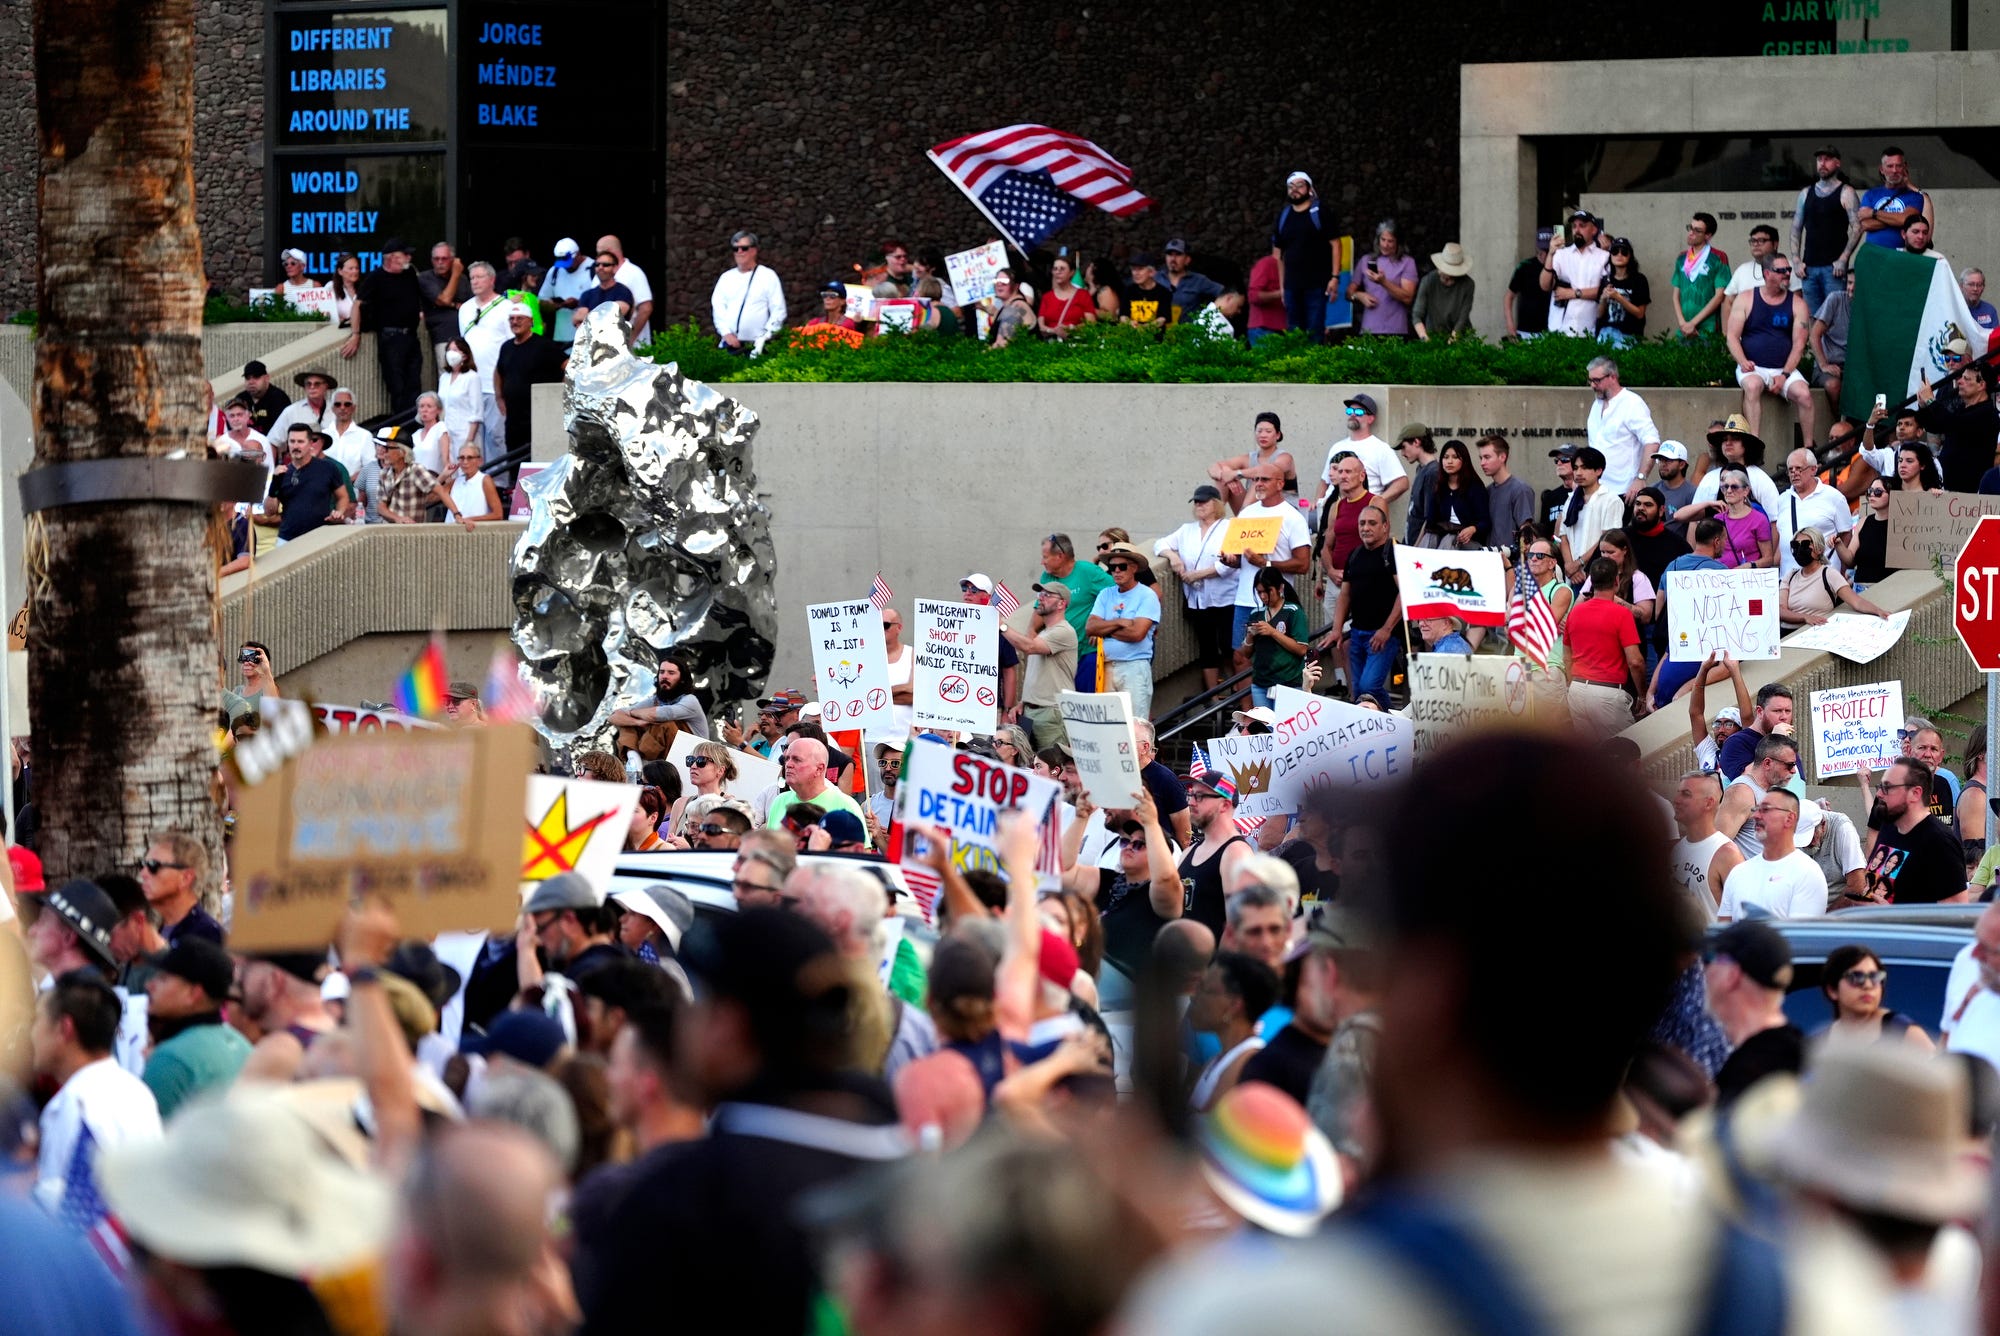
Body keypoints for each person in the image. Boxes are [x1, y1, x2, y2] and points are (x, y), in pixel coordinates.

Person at [577, 910, 904, 1334]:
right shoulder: (915, 1168)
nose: (685, 1023)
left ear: (727, 1026)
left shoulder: (683, 1199)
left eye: (700, 1002)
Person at [31, 971, 161, 1214]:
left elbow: (63, 1211)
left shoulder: (76, 1104)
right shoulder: (136, 1091)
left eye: (38, 1020)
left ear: (64, 1029)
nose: (32, 1033)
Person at [140, 938, 251, 1119]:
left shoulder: (171, 1059)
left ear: (193, 994)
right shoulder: (243, 1046)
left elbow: (148, 1133)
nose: (149, 985)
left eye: (163, 979)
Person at [1217, 464, 1311, 669]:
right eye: (1255, 479)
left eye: (1264, 479)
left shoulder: (1293, 517)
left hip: (1277, 601)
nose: (1258, 484)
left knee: (1275, 657)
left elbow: (1303, 564)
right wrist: (1230, 560)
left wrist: (1266, 564)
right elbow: (1240, 558)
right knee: (1240, 657)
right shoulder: (1246, 514)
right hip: (1245, 598)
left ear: (1280, 484)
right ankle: (1251, 694)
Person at [1704, 918, 1806, 1106]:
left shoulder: (1749, 1075)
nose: (1705, 971)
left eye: (1710, 958)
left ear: (1732, 976)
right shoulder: (1801, 1052)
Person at [1725, 250, 1815, 450]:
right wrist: (1742, 361)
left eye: (1789, 270)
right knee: (1753, 386)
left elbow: (1799, 344)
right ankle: (1754, 446)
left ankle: (1809, 449)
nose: (1787, 274)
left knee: (1805, 395)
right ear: (1767, 274)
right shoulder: (1746, 298)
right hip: (1753, 366)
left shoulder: (1797, 304)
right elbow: (1731, 336)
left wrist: (1784, 375)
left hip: (1784, 368)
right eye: (1781, 270)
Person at [1155, 486, 1238, 693]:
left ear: (1216, 504)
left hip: (1225, 598)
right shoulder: (1186, 530)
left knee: (1229, 646)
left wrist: (1197, 575)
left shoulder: (1229, 528)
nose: (1199, 505)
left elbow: (1230, 564)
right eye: (1197, 502)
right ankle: (1213, 697)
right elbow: (1160, 544)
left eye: (1204, 501)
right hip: (1197, 600)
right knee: (1207, 648)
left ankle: (1238, 690)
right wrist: (1173, 557)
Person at [1856, 757, 1968, 904]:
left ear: (1915, 793)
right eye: (1880, 786)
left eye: (1888, 788)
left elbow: (1955, 912)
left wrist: (1891, 914)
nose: (1879, 794)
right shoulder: (1889, 827)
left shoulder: (1941, 843)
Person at [1563, 557, 1648, 742]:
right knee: (1626, 752)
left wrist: (1571, 684)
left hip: (1577, 689)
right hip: (1607, 693)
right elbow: (1635, 661)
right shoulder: (1622, 613)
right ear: (1616, 581)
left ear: (1591, 582)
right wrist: (1642, 695)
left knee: (1589, 754)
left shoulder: (1575, 612)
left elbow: (1567, 655)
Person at [1187, 951, 1279, 1111]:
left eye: (1204, 989)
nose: (1194, 997)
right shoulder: (1217, 1060)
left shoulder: (1245, 1064)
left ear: (1234, 1006)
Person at [1718, 788, 1824, 920]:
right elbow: (1724, 925)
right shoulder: (1738, 873)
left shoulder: (1808, 873)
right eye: (1756, 809)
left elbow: (1801, 931)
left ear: (1789, 818)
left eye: (1766, 810)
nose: (1755, 815)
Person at [1331, 505, 1401, 704]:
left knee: (1369, 686)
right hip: (1357, 634)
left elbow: (1405, 592)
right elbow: (1345, 595)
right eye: (1362, 523)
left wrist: (1386, 629)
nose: (1366, 528)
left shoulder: (1394, 551)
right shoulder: (1354, 555)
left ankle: (1392, 719)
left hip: (1383, 636)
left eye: (1372, 523)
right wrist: (1336, 629)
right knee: (1358, 692)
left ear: (1385, 527)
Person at [1085, 542, 1163, 719]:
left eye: (1122, 566)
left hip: (1134, 668)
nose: (1116, 571)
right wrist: (1120, 622)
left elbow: (1137, 634)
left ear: (1134, 568)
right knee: (1109, 727)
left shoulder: (1147, 595)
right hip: (1106, 666)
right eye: (1112, 567)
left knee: (1135, 727)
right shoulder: (1105, 593)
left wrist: (1104, 630)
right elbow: (1090, 628)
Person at [1004, 580, 1079, 750]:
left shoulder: (1064, 631)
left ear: (1061, 604)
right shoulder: (1045, 633)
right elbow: (1038, 674)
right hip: (1032, 711)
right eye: (1040, 594)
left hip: (1051, 713)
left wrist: (1001, 625)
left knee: (1052, 763)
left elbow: (1028, 647)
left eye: (1047, 595)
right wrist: (1024, 702)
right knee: (1032, 763)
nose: (1040, 598)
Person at [354, 237, 425, 414]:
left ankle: (414, 424)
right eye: (404, 255)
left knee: (414, 384)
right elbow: (357, 304)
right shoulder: (376, 277)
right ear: (392, 257)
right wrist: (355, 333)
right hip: (391, 338)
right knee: (397, 386)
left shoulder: (410, 273)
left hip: (411, 336)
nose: (409, 258)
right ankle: (401, 423)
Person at [1817, 944, 1934, 1051]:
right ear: (1832, 990)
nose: (1868, 985)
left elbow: (1939, 1066)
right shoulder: (1819, 1040)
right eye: (1856, 977)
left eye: (1875, 977)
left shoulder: (1901, 1031)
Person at [1790, 146, 1863, 316]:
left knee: (1835, 317)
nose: (1822, 163)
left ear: (1837, 163)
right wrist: (1796, 260)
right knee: (1812, 318)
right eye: (1819, 159)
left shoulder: (1846, 192)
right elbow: (1796, 227)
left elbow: (1858, 227)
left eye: (1827, 159)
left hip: (1834, 269)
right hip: (1808, 268)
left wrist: (1843, 258)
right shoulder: (1806, 193)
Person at [494, 303, 568, 464]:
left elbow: (569, 366)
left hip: (539, 418)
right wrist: (499, 397)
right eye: (512, 319)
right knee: (514, 462)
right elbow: (498, 371)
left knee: (536, 462)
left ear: (531, 321)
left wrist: (559, 395)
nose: (515, 322)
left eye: (520, 318)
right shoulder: (506, 347)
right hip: (513, 418)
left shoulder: (544, 345)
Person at [1272, 171, 1339, 338]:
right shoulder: (1283, 217)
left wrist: (1334, 277)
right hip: (1291, 285)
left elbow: (1336, 244)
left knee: (1315, 330)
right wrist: (1282, 286)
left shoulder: (1320, 212)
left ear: (1309, 189)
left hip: (1317, 284)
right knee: (1294, 333)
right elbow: (1277, 255)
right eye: (1291, 186)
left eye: (1299, 185)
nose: (1294, 189)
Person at [1670, 771, 1743, 924]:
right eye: (1678, 793)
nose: (1676, 800)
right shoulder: (1676, 849)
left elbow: (1744, 918)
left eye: (1686, 794)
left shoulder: (1727, 854)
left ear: (1709, 803)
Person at [1916, 360, 2000, 493]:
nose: (1960, 381)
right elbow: (1934, 426)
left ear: (1981, 385)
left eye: (1966, 379)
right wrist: (1923, 406)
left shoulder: (1987, 413)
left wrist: (1931, 400)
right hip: (1948, 486)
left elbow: (1955, 424)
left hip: (1969, 491)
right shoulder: (1962, 408)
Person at [1779, 528, 1889, 628]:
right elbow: (1780, 610)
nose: (1799, 549)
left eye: (1805, 544)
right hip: (1785, 633)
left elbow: (1856, 602)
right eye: (1795, 545)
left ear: (1819, 549)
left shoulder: (1829, 574)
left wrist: (1878, 611)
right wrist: (1805, 617)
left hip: (1813, 633)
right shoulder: (1790, 576)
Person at [1313, 393, 1408, 508]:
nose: (1353, 414)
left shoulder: (1380, 448)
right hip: (1330, 511)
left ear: (1370, 419)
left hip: (1361, 514)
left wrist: (1375, 503)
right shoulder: (1337, 447)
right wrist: (1317, 505)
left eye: (1358, 412)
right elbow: (1324, 482)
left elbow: (1402, 483)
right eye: (1350, 411)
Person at [138, 829, 223, 945]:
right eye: (143, 865)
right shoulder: (162, 929)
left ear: (186, 878)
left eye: (153, 865)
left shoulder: (208, 936)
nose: (143, 873)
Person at [269, 424, 350, 544]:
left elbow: (343, 497)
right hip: (287, 538)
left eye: (300, 441)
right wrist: (274, 483)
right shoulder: (281, 473)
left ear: (310, 444)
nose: (296, 446)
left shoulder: (328, 468)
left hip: (320, 537)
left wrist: (339, 512)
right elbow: (269, 511)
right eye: (292, 441)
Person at [709, 229, 785, 354]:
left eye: (744, 248)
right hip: (730, 344)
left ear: (754, 250)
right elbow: (718, 307)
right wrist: (726, 333)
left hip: (758, 346)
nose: (739, 252)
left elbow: (778, 310)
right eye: (735, 249)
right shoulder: (726, 278)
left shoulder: (767, 276)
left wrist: (766, 336)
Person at [1556, 445, 1624, 581]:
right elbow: (1563, 536)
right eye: (1576, 468)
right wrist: (1569, 566)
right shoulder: (1571, 499)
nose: (1578, 473)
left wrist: (1579, 563)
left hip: (1598, 574)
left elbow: (1608, 539)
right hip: (1572, 575)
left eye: (1584, 468)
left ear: (1599, 470)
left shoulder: (1611, 500)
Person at [766, 737, 864, 830]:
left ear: (819, 769)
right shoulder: (779, 801)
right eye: (787, 759)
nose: (788, 764)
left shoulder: (845, 806)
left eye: (797, 760)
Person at [376, 430, 470, 527]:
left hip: (413, 530)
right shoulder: (384, 473)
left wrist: (457, 515)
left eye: (387, 449)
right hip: (389, 530)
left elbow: (440, 491)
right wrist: (398, 518)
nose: (384, 452)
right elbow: (380, 507)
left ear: (402, 453)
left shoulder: (416, 470)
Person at [1541, 209, 1610, 336]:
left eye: (1582, 226)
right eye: (1574, 226)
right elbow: (1545, 286)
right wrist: (1550, 254)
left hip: (1589, 330)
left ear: (1594, 230)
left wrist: (1573, 293)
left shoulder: (1604, 257)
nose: (1577, 230)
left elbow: (1605, 291)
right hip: (1560, 329)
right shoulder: (1561, 254)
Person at [1209, 410, 1297, 508]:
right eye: (1259, 431)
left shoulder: (1285, 458)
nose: (1263, 435)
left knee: (1259, 479)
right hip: (1253, 508)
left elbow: (1266, 471)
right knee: (1222, 479)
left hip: (1281, 509)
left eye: (1268, 431)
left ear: (1278, 435)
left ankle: (1245, 516)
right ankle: (1213, 516)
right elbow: (1214, 468)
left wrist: (1235, 474)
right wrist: (1226, 474)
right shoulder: (1249, 458)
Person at [1411, 437, 1489, 549]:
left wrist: (1473, 529)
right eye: (1446, 457)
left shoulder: (1474, 487)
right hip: (1444, 539)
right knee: (1431, 536)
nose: (1449, 461)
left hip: (1469, 542)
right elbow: (1430, 522)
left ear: (1464, 460)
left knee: (1450, 538)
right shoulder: (1439, 486)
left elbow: (1485, 522)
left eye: (1455, 457)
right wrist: (1416, 547)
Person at [1670, 210, 1731, 339]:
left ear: (1708, 235)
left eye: (1697, 230)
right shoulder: (1682, 258)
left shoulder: (1718, 257)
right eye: (1690, 228)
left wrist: (1693, 323)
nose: (1691, 233)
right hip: (1684, 329)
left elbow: (1719, 296)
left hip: (1708, 329)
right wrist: (1683, 323)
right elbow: (1675, 295)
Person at [1858, 145, 1933, 249]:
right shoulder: (1871, 194)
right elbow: (1865, 224)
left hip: (1901, 254)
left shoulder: (1914, 196)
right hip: (1874, 254)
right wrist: (1897, 220)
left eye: (1898, 166)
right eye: (1890, 166)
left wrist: (1873, 213)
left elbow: (1905, 220)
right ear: (1882, 169)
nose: (1894, 170)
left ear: (1905, 167)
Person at [1350, 219, 1417, 336]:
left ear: (1398, 242)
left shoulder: (1407, 262)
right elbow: (1348, 293)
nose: (1385, 245)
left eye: (1390, 241)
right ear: (1378, 240)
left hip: (1396, 329)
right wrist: (1359, 295)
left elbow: (1407, 297)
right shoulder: (1366, 260)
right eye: (1383, 240)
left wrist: (1383, 282)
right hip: (1369, 329)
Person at [1716, 682, 1795, 779]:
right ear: (1760, 712)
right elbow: (1743, 781)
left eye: (1788, 711)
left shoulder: (1786, 743)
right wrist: (1774, 743)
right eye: (1777, 711)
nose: (1784, 717)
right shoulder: (1736, 743)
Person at [1708, 465, 1777, 570]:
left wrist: (1749, 566)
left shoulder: (1758, 519)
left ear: (1746, 491)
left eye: (1734, 487)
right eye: (1725, 487)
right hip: (1721, 576)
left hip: (1747, 577)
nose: (1729, 491)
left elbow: (1768, 559)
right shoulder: (1717, 519)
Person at [1833, 475, 1895, 585]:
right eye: (1870, 491)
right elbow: (1850, 560)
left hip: (1888, 588)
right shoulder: (1863, 522)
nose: (1872, 495)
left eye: (1878, 492)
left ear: (1892, 495)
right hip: (1861, 589)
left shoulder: (1899, 525)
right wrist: (1838, 544)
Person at [1809, 269, 1854, 410]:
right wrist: (1823, 365)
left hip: (1854, 368)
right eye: (1850, 283)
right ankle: (1839, 421)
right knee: (1833, 385)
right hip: (1829, 365)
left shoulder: (1868, 307)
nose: (1851, 288)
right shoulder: (1836, 299)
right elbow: (1814, 335)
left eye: (1856, 284)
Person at [1412, 243, 1474, 340]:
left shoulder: (1468, 284)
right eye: (1445, 277)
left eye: (1452, 277)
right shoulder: (1428, 281)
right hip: (1434, 335)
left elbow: (1463, 317)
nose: (1448, 281)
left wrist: (1453, 339)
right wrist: (1424, 338)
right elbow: (1417, 315)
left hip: (1461, 336)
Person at [1595, 236, 1649, 346]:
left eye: (1624, 252)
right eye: (1615, 251)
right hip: (1605, 332)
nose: (1619, 255)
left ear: (1630, 256)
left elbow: (1640, 314)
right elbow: (1599, 314)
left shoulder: (1639, 280)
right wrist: (1603, 298)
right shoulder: (1606, 280)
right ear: (1610, 255)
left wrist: (1619, 298)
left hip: (1628, 335)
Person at [1504, 226, 1554, 340]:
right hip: (1525, 330)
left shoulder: (1559, 267)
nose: (1543, 254)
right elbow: (1508, 296)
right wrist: (1510, 324)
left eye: (1547, 250)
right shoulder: (1524, 266)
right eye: (1541, 250)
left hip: (1550, 330)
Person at [1032, 252, 1091, 338]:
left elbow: (1091, 322)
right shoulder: (1047, 297)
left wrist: (1070, 329)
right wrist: (1054, 331)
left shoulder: (1083, 295)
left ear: (1071, 272)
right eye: (1055, 269)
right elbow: (1041, 326)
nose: (1058, 272)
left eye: (1062, 269)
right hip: (1052, 342)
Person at [444, 445, 503, 524]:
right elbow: (430, 498)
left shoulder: (484, 480)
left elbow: (498, 514)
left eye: (470, 458)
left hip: (472, 530)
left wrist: (468, 520)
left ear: (479, 461)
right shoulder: (455, 481)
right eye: (462, 458)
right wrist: (443, 476)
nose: (465, 462)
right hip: (450, 530)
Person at [579, 250, 637, 325]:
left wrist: (588, 317)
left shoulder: (623, 292)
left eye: (605, 265)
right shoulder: (587, 294)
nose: (600, 267)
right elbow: (578, 320)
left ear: (615, 268)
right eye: (597, 264)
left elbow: (612, 317)